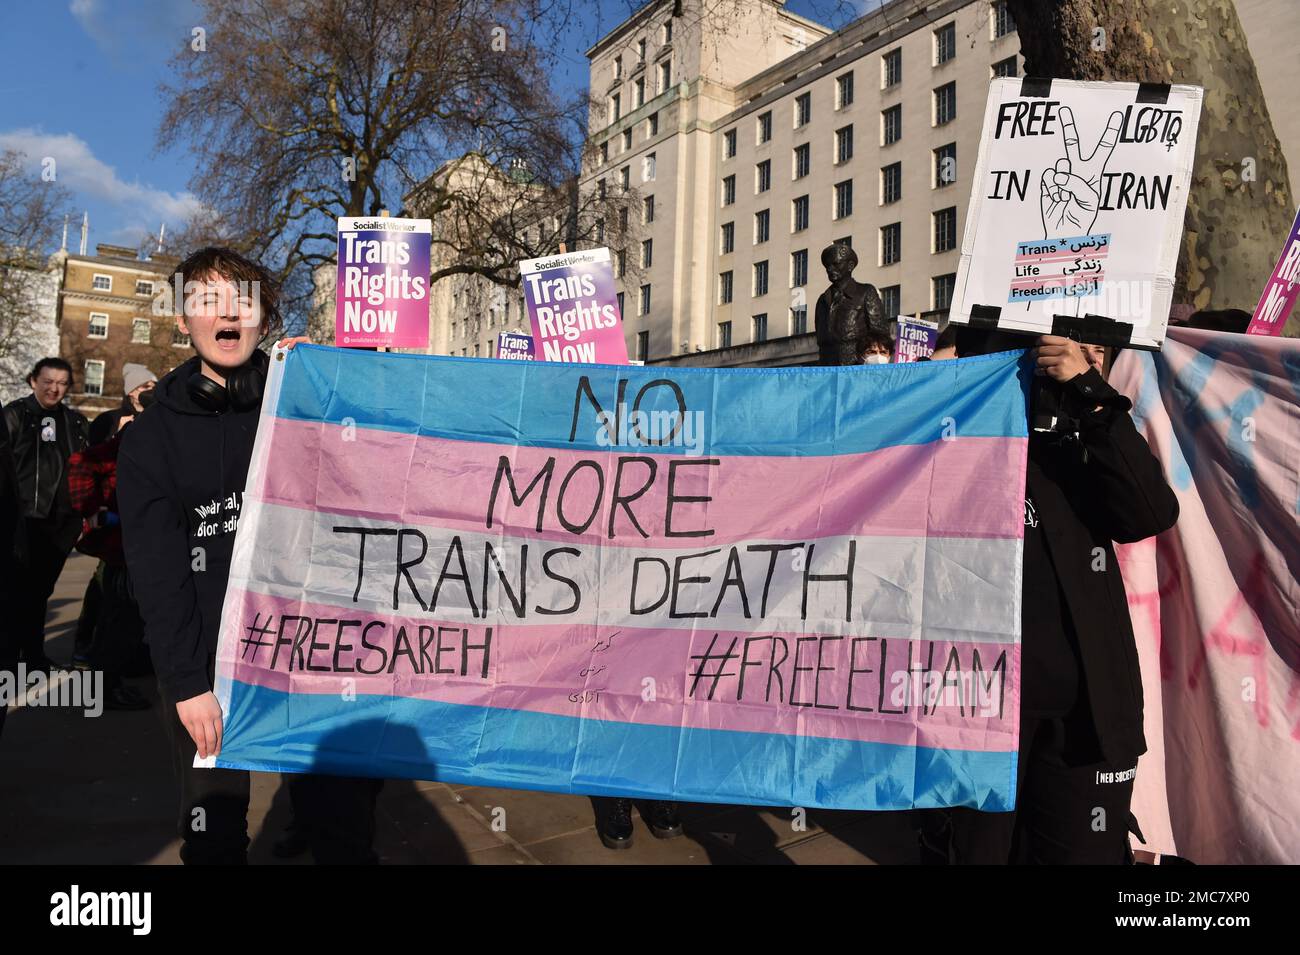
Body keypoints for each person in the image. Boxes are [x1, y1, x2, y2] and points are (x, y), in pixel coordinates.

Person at [117, 247, 382, 864]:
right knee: (213, 839)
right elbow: (158, 577)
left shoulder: (307, 399)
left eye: (243, 300)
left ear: (265, 317)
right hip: (208, 672)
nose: (227, 314)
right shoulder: (153, 437)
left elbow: (377, 493)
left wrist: (339, 384)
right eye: (208, 301)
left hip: (317, 658)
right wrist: (187, 683)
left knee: (343, 833)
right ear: (184, 320)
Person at [940, 329, 1178, 864]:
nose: (1087, 353)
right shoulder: (970, 428)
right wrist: (940, 386)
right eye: (1074, 339)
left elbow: (1150, 512)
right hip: (974, 713)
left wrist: (1092, 398)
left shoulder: (1093, 430)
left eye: (1099, 347)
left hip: (1085, 719)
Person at [2, 358, 89, 671]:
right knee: (15, 591)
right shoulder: (13, 415)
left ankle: (34, 654)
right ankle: (13, 657)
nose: (54, 389)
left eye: (62, 383)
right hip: (23, 520)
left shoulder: (75, 423)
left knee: (41, 591)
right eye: (48, 381)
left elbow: (86, 468)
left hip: (62, 523)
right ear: (33, 381)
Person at [73, 364, 158, 670]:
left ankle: (122, 662)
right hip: (115, 529)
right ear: (129, 391)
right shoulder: (114, 422)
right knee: (108, 593)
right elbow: (88, 462)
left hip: (144, 530)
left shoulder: (158, 421)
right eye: (141, 386)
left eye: (152, 385)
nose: (147, 390)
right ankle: (91, 652)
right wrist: (95, 508)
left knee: (131, 602)